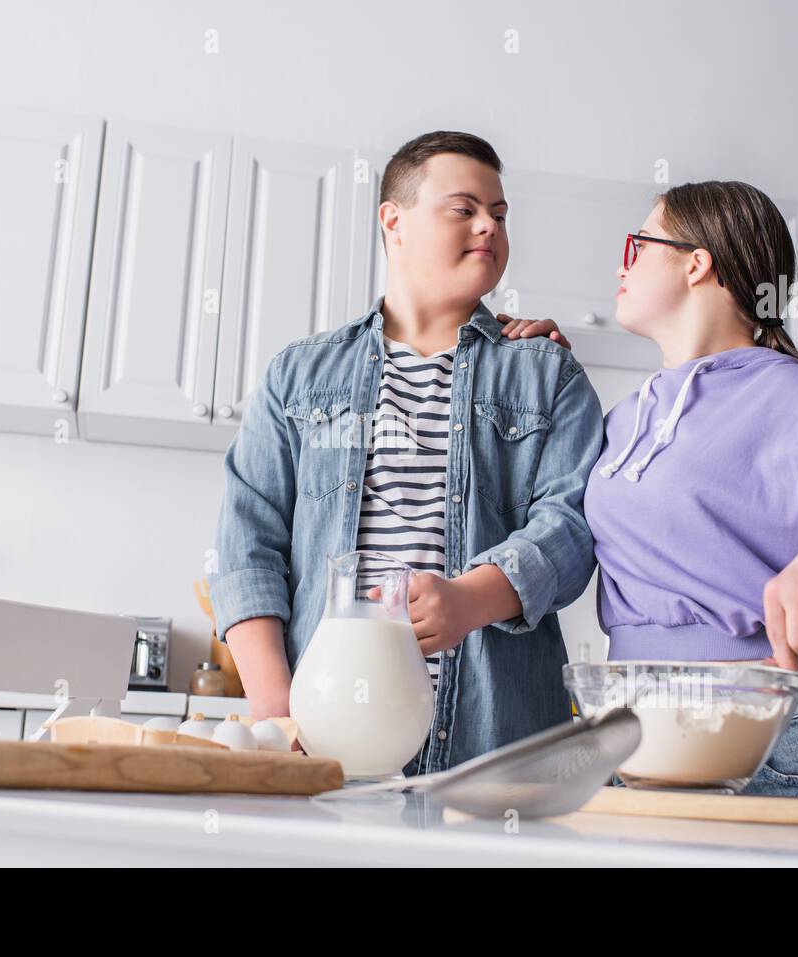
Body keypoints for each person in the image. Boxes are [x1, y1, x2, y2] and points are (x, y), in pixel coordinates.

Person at [499, 180, 798, 799]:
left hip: (779, 740)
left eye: (638, 245)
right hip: (640, 739)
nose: (620, 265)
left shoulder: (786, 391)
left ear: (696, 262)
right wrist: (533, 371)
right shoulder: (627, 419)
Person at [207, 131, 606, 775]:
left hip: (495, 742)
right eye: (464, 208)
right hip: (323, 737)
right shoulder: (299, 376)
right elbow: (246, 550)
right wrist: (278, 715)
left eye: (499, 215)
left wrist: (468, 601)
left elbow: (573, 528)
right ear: (393, 221)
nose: (488, 227)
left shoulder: (546, 374)